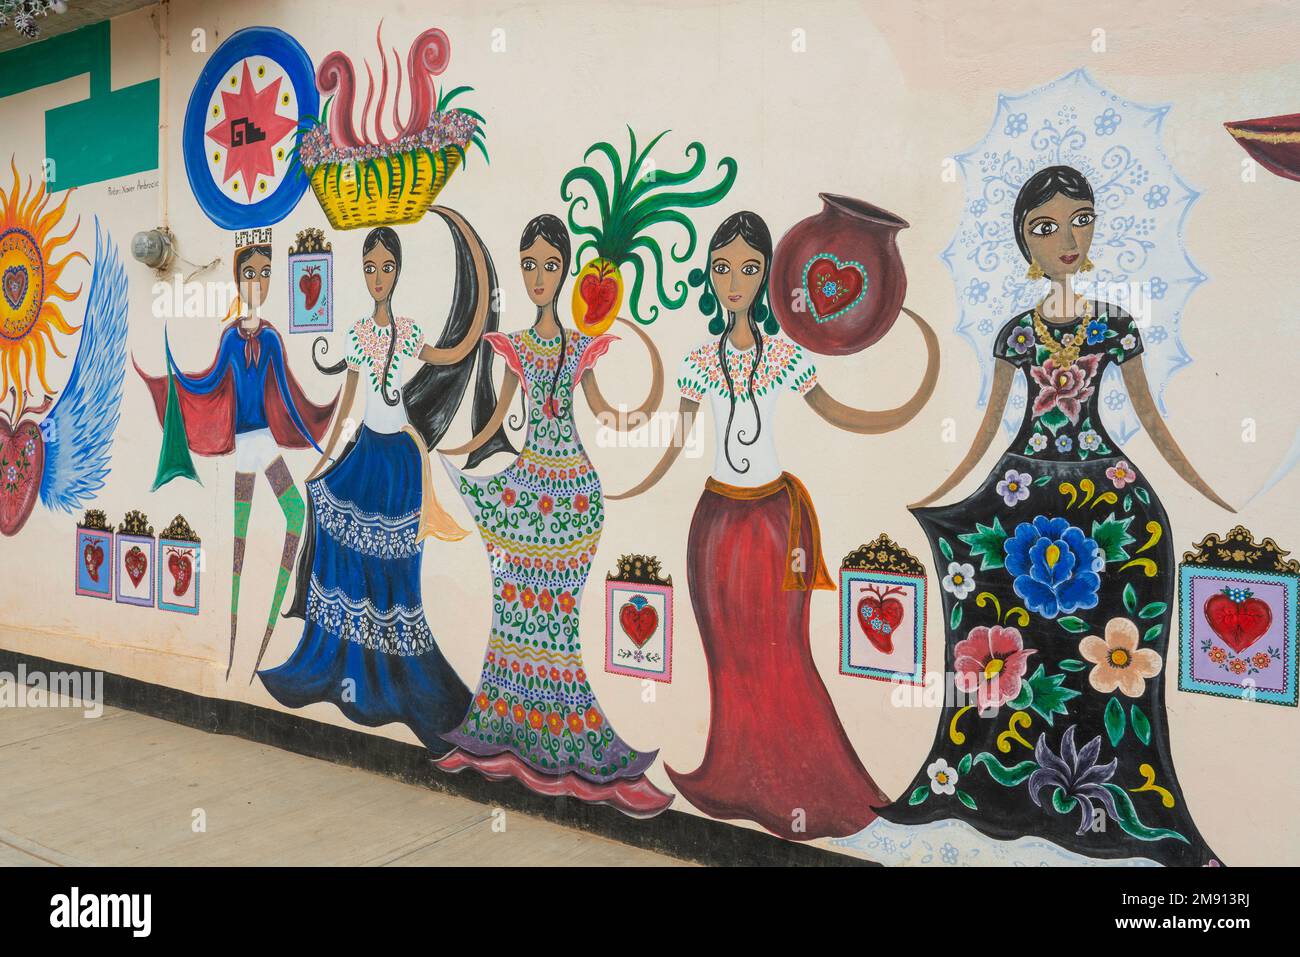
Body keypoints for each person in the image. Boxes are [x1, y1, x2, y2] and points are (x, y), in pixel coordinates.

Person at [874, 166, 1232, 865]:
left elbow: (1152, 422)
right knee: (1010, 647)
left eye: (1080, 219)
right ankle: (1009, 792)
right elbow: (987, 432)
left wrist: (1203, 486)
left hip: (1106, 503)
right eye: (1045, 226)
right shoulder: (1016, 335)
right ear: (1024, 242)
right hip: (1019, 502)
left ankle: (1103, 799)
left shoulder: (1115, 326)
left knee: (1105, 660)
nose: (1066, 238)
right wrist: (941, 492)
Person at [610, 211, 939, 839]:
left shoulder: (785, 355)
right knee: (727, 658)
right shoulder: (699, 361)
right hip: (713, 525)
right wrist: (618, 435)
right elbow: (672, 437)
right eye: (723, 267)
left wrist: (905, 406)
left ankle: (812, 784)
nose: (735, 280)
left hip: (774, 522)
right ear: (709, 276)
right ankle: (736, 779)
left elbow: (837, 411)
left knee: (783, 651)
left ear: (767, 279)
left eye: (750, 268)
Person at [434, 213, 673, 817]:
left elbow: (598, 410)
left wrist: (641, 421)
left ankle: (569, 740)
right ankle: (512, 733)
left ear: (566, 270)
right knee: (514, 612)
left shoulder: (579, 348)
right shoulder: (514, 347)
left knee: (557, 625)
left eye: (549, 264)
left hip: (569, 499)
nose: (539, 276)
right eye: (529, 265)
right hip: (527, 485)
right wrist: (457, 454)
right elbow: (497, 420)